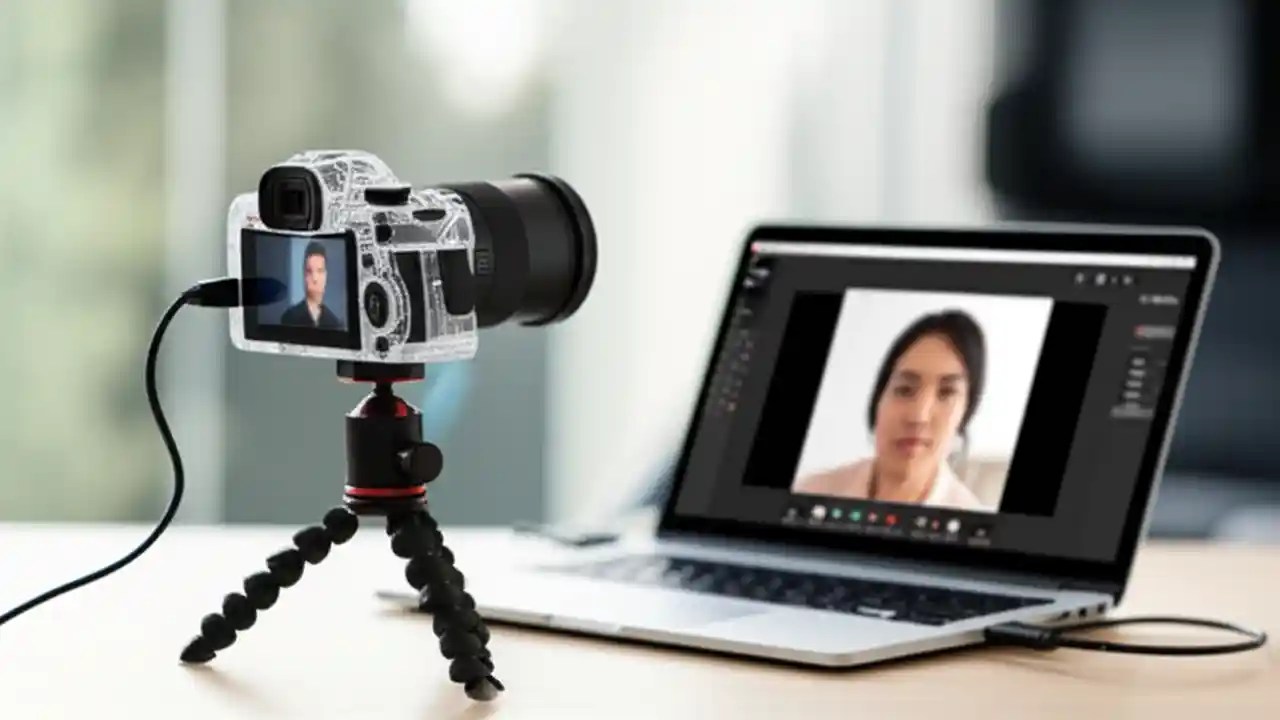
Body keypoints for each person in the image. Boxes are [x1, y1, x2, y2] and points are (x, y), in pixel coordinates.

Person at [794, 310, 989, 511]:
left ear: (966, 413)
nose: (918, 416)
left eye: (946, 393)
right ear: (879, 398)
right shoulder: (810, 493)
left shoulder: (973, 522)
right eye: (904, 390)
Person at [280, 241, 342, 329]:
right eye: (310, 271)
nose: (315, 278)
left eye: (320, 271)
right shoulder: (290, 318)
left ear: (326, 275)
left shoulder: (334, 323)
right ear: (304, 275)